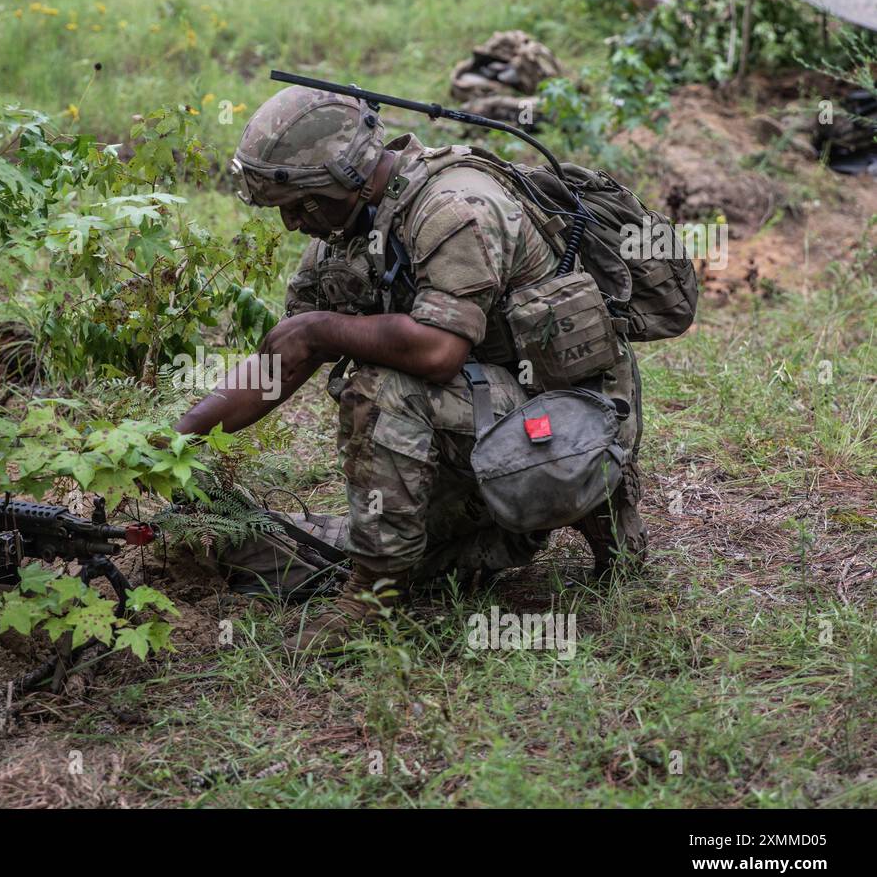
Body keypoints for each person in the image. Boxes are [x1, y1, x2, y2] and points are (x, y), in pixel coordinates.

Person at [175, 85, 647, 653]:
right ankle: (492, 521)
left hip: (573, 420)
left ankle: (373, 599)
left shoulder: (454, 208)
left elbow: (438, 352)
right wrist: (175, 441)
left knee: (381, 391)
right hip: (491, 407)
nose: (293, 225)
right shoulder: (345, 232)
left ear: (346, 174)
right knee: (415, 546)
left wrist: (322, 330)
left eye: (299, 205)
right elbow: (284, 360)